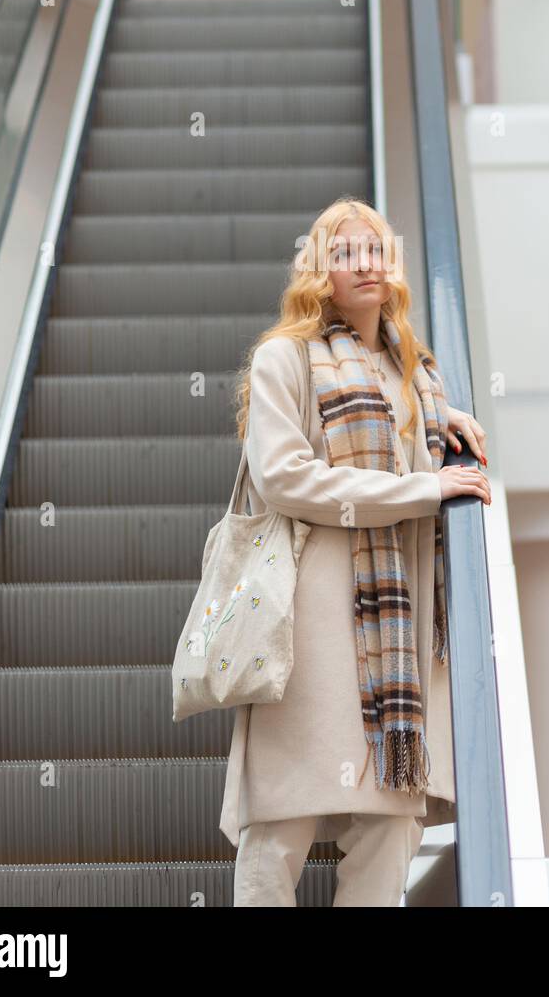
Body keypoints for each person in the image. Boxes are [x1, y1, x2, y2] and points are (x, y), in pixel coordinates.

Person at [219, 195, 491, 907]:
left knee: (390, 826)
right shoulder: (288, 359)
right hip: (310, 617)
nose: (363, 263)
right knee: (281, 819)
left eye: (375, 249)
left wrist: (443, 419)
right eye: (343, 252)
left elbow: (409, 430)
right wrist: (419, 488)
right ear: (318, 270)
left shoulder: (416, 376)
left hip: (393, 633)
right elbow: (284, 478)